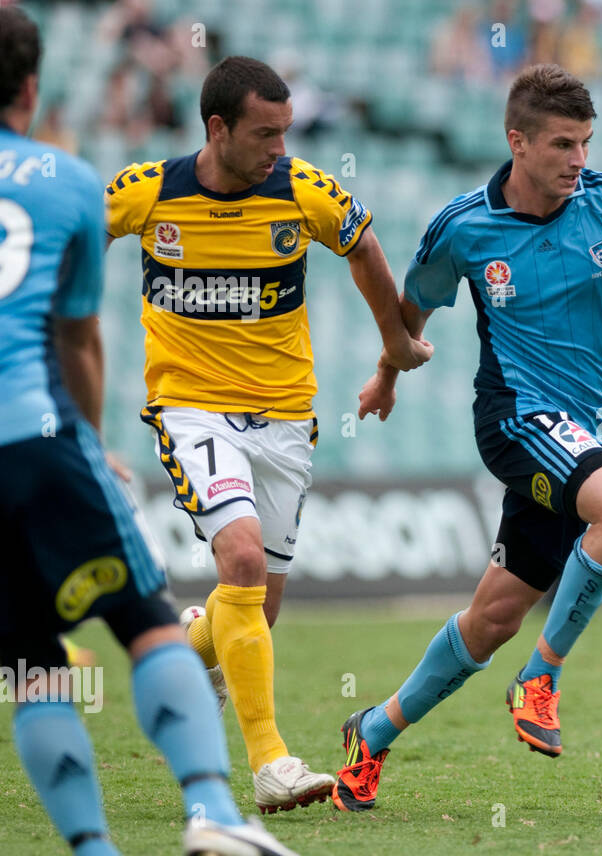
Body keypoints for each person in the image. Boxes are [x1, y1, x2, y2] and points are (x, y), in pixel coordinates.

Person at [330, 63, 602, 811]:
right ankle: (541, 677)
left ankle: (370, 734)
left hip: (584, 436)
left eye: (586, 143)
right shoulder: (464, 226)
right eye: (564, 143)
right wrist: (388, 374)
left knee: (492, 618)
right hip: (514, 417)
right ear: (518, 142)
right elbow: (413, 308)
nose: (579, 159)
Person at [104, 55, 432, 813]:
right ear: (216, 129)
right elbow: (77, 238)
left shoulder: (303, 191)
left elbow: (366, 250)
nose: (280, 148)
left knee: (255, 605)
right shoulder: (150, 191)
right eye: (264, 134)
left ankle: (183, 655)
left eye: (286, 131)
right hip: (190, 408)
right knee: (242, 556)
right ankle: (269, 762)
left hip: (285, 416)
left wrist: (396, 347)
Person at [0, 7, 291, 856]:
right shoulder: (66, 182)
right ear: (30, 85)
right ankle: (213, 812)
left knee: (32, 661)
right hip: (33, 433)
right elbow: (79, 339)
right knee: (151, 623)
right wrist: (87, 442)